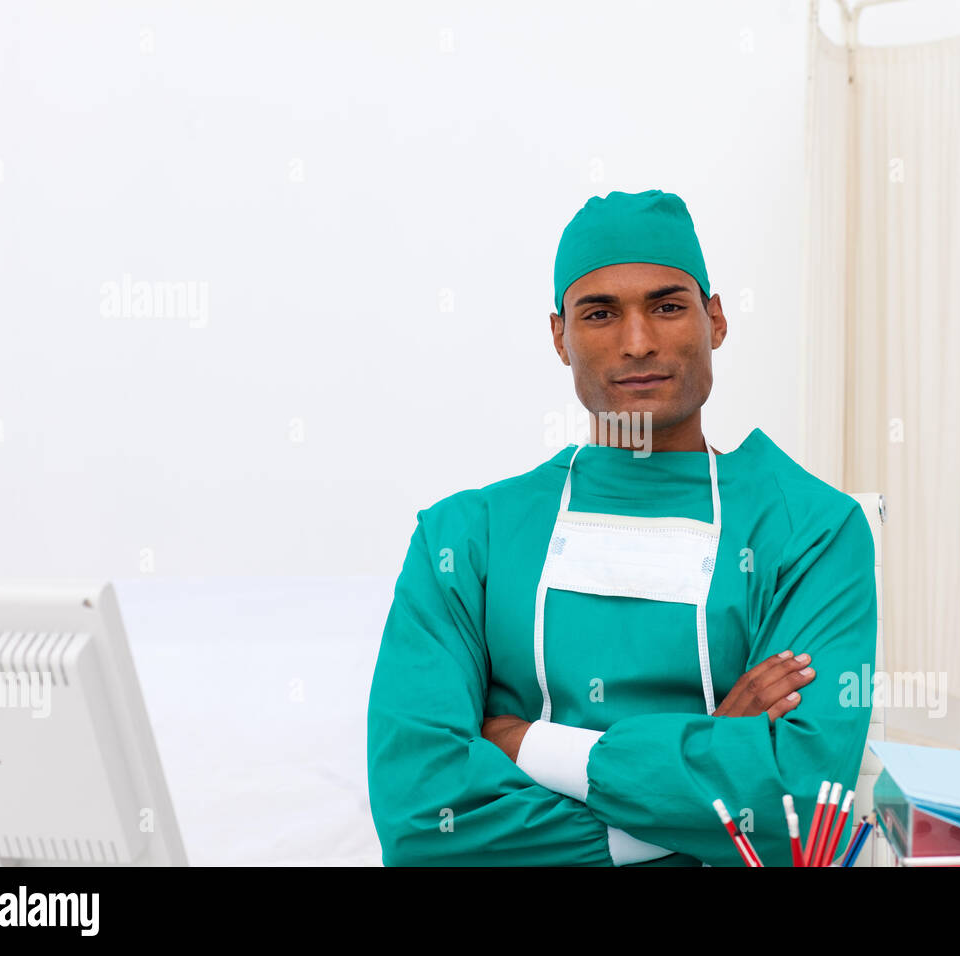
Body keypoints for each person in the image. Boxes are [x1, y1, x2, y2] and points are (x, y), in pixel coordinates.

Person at [367, 188, 877, 866]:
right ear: (560, 336)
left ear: (715, 320)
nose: (637, 343)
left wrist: (533, 747)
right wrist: (708, 755)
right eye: (600, 314)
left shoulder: (811, 533)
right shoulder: (464, 540)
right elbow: (422, 816)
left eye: (667, 306)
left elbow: (802, 807)